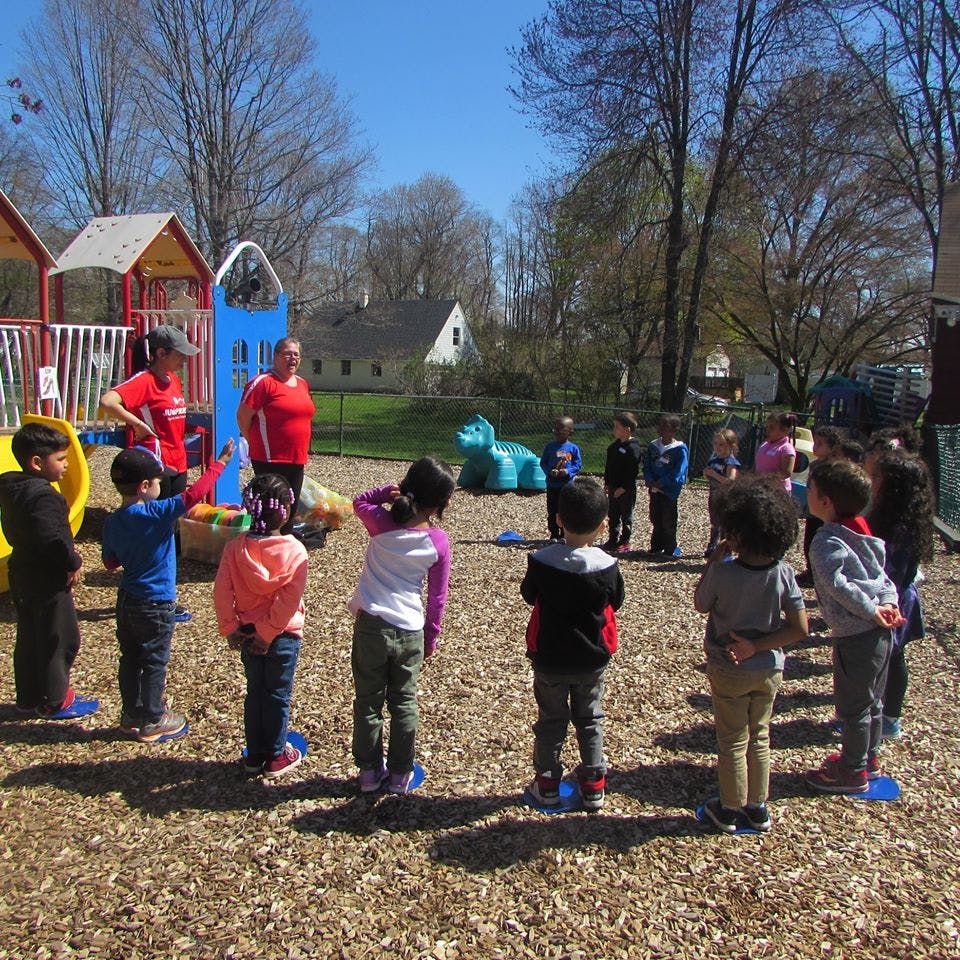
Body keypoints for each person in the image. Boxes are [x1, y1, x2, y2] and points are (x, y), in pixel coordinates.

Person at [693, 475, 808, 832]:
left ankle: (728, 808)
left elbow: (700, 604)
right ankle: (757, 807)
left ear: (736, 531)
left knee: (731, 739)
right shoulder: (784, 573)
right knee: (759, 735)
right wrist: (758, 646)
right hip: (768, 668)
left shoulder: (725, 573)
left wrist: (713, 562)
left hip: (728, 667)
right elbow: (800, 628)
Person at [102, 439, 234, 742]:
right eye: (160, 482)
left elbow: (110, 562)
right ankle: (153, 719)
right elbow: (194, 495)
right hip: (155, 601)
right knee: (154, 660)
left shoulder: (112, 521)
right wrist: (222, 462)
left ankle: (131, 713)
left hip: (127, 600)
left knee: (131, 657)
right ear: (145, 485)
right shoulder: (157, 513)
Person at [348, 457, 455, 793]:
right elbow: (437, 599)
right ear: (442, 504)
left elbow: (358, 501)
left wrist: (385, 491)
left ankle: (368, 773)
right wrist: (431, 638)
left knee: (368, 701)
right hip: (410, 629)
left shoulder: (379, 521)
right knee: (404, 702)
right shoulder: (438, 542)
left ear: (407, 486)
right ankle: (399, 774)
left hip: (371, 626)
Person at [521, 477, 625, 811]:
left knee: (551, 719)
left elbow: (528, 595)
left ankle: (548, 783)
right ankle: (594, 785)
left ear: (559, 519)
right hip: (591, 658)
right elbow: (617, 600)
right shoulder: (607, 566)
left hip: (550, 657)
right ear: (603, 525)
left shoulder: (541, 560)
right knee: (590, 718)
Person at [804, 460, 903, 794]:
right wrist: (889, 604)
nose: (808, 494)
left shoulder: (826, 540)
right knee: (872, 701)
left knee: (853, 707)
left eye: (813, 490)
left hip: (857, 634)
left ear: (827, 501)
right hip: (879, 631)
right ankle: (868, 759)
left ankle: (851, 771)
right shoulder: (862, 531)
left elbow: (838, 585)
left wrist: (874, 610)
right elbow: (883, 576)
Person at [100, 323, 202, 621]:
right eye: (179, 354)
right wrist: (137, 423)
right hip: (158, 465)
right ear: (160, 353)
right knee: (154, 530)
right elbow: (108, 401)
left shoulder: (172, 379)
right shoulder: (144, 380)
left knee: (169, 531)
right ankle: (152, 597)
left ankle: (162, 595)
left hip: (177, 461)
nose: (184, 360)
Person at [215, 473, 309, 777]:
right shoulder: (295, 551)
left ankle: (255, 754)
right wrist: (269, 634)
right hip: (281, 636)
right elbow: (288, 601)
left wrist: (230, 627)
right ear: (285, 510)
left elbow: (222, 591)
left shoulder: (234, 549)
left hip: (247, 633)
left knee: (255, 692)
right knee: (277, 694)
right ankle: (276, 755)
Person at [0, 423, 93, 717]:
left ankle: (28, 697)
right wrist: (72, 563)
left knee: (29, 635)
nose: (66, 465)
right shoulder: (44, 497)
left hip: (22, 570)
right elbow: (52, 539)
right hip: (47, 577)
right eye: (61, 459)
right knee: (60, 637)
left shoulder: (12, 487)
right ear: (37, 463)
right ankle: (55, 699)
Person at [866, 448, 935, 741]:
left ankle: (888, 718)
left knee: (891, 659)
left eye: (878, 477)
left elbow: (893, 573)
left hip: (893, 601)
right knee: (886, 659)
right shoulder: (892, 518)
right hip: (889, 597)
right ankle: (876, 713)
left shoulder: (900, 527)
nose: (873, 481)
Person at [236, 337, 316, 535]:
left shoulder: (302, 384)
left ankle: (284, 549)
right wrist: (254, 441)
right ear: (276, 357)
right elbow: (243, 417)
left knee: (290, 507)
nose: (292, 358)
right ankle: (262, 548)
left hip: (296, 458)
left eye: (296, 354)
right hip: (270, 458)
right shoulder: (263, 383)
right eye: (287, 353)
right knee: (270, 509)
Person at [642, 413, 689, 557]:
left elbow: (679, 471)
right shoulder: (653, 446)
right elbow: (647, 465)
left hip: (668, 491)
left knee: (668, 519)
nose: (661, 429)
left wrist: (663, 482)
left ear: (674, 430)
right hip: (654, 489)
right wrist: (649, 479)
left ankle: (670, 547)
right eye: (660, 425)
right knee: (655, 517)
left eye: (665, 426)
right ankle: (656, 546)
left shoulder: (679, 449)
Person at [602, 412, 642, 553]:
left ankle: (625, 541)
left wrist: (624, 488)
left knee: (626, 515)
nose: (614, 430)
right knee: (613, 514)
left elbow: (632, 472)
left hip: (626, 490)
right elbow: (608, 467)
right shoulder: (613, 448)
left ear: (627, 429)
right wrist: (607, 482)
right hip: (613, 486)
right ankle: (612, 539)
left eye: (617, 427)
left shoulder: (633, 449)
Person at [540, 416, 582, 541]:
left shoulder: (573, 448)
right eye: (555, 429)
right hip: (552, 485)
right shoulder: (549, 447)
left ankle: (565, 534)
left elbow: (578, 464)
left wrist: (568, 471)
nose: (557, 432)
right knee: (552, 510)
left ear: (570, 431)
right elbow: (543, 463)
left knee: (565, 510)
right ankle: (554, 533)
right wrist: (549, 471)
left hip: (566, 485)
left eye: (561, 429)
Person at [701, 428, 741, 557]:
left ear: (730, 446)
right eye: (716, 444)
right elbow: (709, 476)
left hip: (725, 497)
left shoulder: (730, 462)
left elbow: (730, 480)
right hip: (713, 495)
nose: (718, 447)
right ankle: (712, 546)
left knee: (724, 523)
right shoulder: (714, 460)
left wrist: (714, 475)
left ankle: (725, 548)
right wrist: (707, 474)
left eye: (721, 444)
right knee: (714, 522)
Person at [754, 412, 797, 492]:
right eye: (767, 427)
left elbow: (786, 472)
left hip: (778, 492)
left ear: (785, 430)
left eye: (772, 428)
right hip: (761, 488)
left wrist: (766, 477)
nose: (767, 430)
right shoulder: (765, 444)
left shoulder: (786, 448)